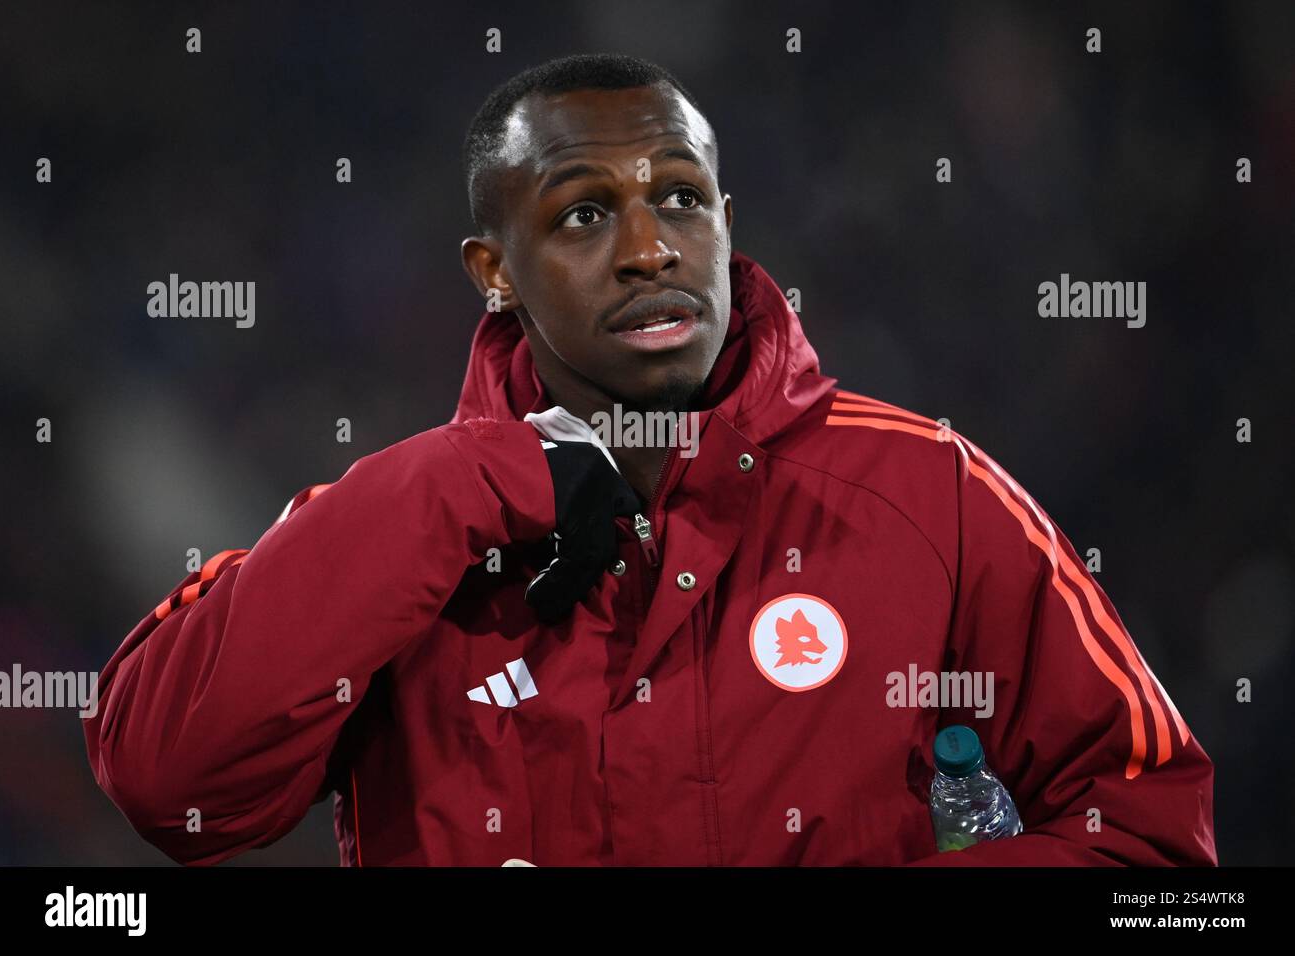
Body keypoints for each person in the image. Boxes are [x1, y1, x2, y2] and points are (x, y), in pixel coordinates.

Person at [83, 53, 1217, 866]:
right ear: (494, 269)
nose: (647, 247)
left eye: (680, 198)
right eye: (582, 215)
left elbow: (1153, 833)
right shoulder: (389, 530)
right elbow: (169, 789)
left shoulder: (929, 492)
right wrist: (464, 481)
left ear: (726, 220)